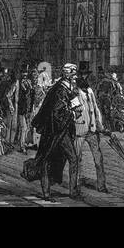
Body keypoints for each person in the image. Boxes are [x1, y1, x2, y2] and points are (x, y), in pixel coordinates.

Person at [26, 63, 79, 202]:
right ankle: (50, 193)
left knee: (56, 159)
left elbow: (73, 108)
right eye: (74, 74)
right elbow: (57, 112)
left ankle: (63, 191)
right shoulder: (61, 89)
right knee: (48, 160)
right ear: (68, 74)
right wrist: (72, 113)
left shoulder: (67, 88)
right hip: (55, 131)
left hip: (61, 130)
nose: (76, 77)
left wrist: (73, 111)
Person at [74, 63, 108, 195]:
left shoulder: (89, 91)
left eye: (86, 75)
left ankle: (101, 184)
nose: (84, 77)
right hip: (79, 129)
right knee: (77, 158)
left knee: (98, 157)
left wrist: (99, 124)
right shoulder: (75, 91)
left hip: (92, 129)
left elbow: (95, 108)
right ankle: (75, 184)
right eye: (82, 75)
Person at [97, 64, 124, 133]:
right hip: (108, 100)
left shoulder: (108, 82)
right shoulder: (108, 81)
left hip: (109, 100)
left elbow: (111, 92)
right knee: (107, 114)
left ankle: (111, 127)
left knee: (108, 114)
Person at [16, 63, 36, 150]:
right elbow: (22, 94)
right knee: (23, 127)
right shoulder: (19, 82)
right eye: (23, 72)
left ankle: (24, 143)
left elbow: (31, 94)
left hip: (28, 108)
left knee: (26, 127)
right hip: (21, 108)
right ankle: (21, 145)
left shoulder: (29, 82)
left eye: (26, 72)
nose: (25, 74)